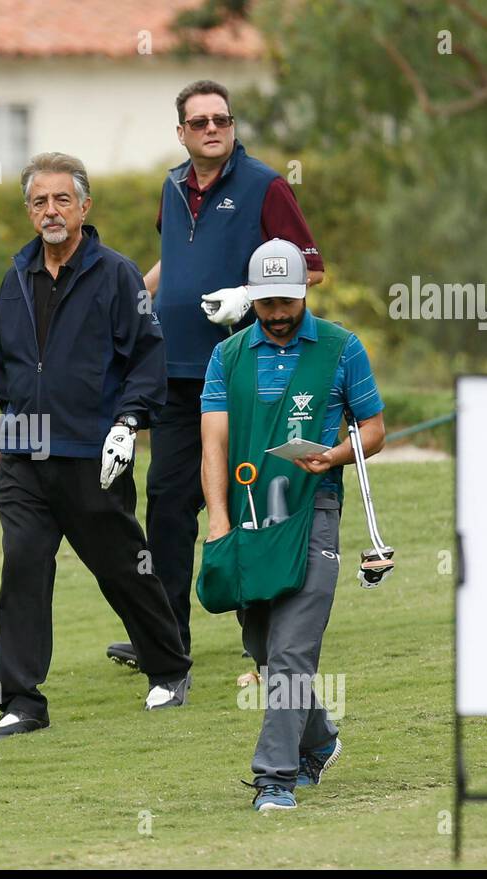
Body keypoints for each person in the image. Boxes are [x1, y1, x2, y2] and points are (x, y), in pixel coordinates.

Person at [107, 79, 326, 669]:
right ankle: (166, 636)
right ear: (181, 132)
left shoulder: (265, 186)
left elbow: (311, 269)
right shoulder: (173, 186)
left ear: (232, 127)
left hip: (248, 370)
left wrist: (250, 293)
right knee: (168, 502)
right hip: (177, 371)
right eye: (199, 122)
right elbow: (173, 261)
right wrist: (128, 298)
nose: (211, 129)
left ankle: (269, 628)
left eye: (221, 120)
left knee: (251, 494)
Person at [0, 152, 193, 740]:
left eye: (61, 200)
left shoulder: (117, 274)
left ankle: (170, 666)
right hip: (25, 457)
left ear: (84, 207)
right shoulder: (16, 275)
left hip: (93, 454)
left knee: (121, 565)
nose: (50, 210)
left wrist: (128, 423)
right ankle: (22, 701)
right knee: (23, 566)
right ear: (29, 211)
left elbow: (146, 358)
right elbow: (4, 364)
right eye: (39, 201)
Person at [198, 238, 384, 812]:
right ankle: (320, 738)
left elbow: (373, 431)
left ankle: (274, 777)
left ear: (303, 293)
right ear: (251, 299)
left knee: (292, 651)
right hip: (250, 516)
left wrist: (334, 457)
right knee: (261, 643)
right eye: (266, 303)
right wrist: (218, 522)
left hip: (314, 513)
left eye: (287, 301)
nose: (277, 314)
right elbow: (214, 445)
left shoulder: (342, 348)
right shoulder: (227, 357)